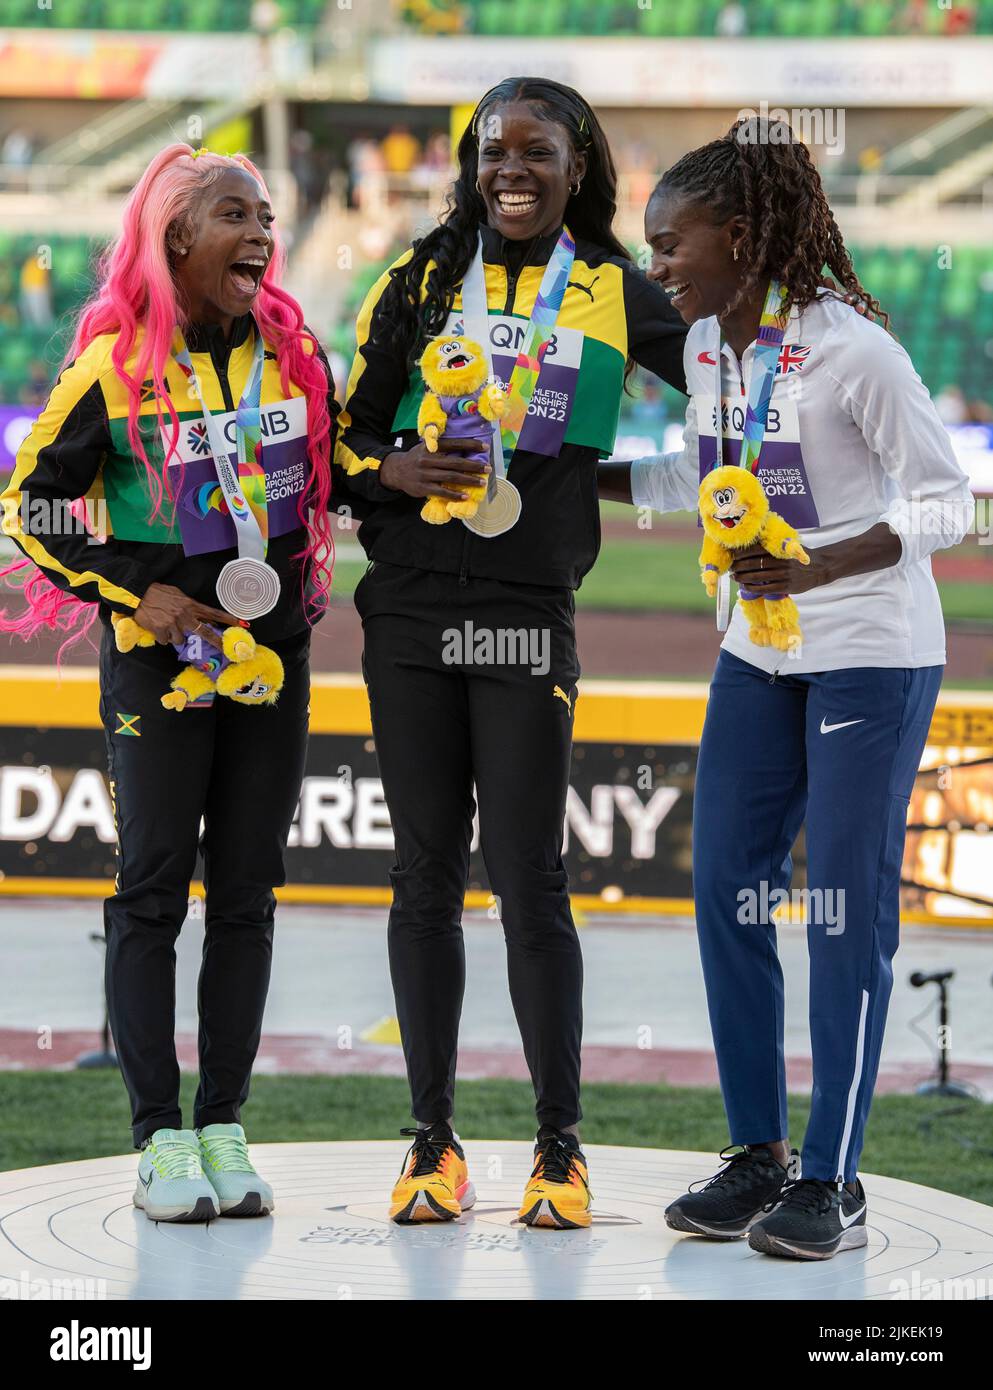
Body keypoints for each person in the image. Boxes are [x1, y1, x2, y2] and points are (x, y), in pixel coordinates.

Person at [600, 119, 973, 1259]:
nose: (657, 268)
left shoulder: (856, 351)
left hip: (869, 651)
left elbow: (950, 501)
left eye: (673, 246)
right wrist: (573, 478)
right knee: (727, 892)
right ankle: (757, 1155)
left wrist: (824, 558)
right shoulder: (712, 347)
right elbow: (694, 475)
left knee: (844, 915)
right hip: (756, 652)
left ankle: (834, 1179)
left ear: (745, 237)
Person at [333, 76, 687, 1228]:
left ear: (578, 165)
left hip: (530, 613)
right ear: (473, 163)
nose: (513, 172)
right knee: (423, 877)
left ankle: (559, 1150)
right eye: (495, 153)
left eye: (538, 153)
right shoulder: (420, 279)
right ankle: (430, 1144)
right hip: (412, 612)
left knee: (531, 879)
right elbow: (341, 438)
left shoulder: (615, 294)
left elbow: (734, 374)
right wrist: (392, 467)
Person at [0, 145, 337, 1223]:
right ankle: (157, 1139)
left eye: (268, 218)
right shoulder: (111, 367)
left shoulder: (294, 356)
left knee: (246, 895)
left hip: (272, 666)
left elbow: (327, 489)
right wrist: (133, 594)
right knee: (153, 889)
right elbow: (30, 510)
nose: (261, 236)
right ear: (177, 238)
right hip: (160, 670)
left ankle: (225, 1121)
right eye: (236, 216)